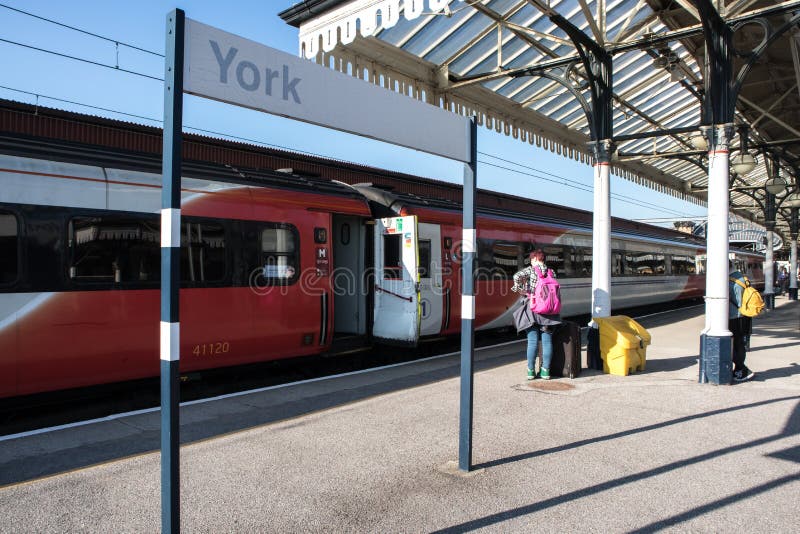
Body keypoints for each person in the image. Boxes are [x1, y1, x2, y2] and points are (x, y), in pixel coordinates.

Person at [512, 249, 561, 380]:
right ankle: (545, 371)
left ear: (534, 259)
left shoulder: (531, 270)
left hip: (532, 310)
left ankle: (531, 371)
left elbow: (516, 276)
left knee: (532, 341)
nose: (531, 261)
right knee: (547, 341)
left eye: (531, 259)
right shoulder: (552, 272)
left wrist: (518, 289)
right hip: (549, 313)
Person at [729, 262, 755, 383]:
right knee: (740, 343)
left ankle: (741, 369)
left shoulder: (730, 281)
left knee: (736, 344)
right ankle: (740, 368)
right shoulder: (741, 277)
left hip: (735, 316)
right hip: (745, 315)